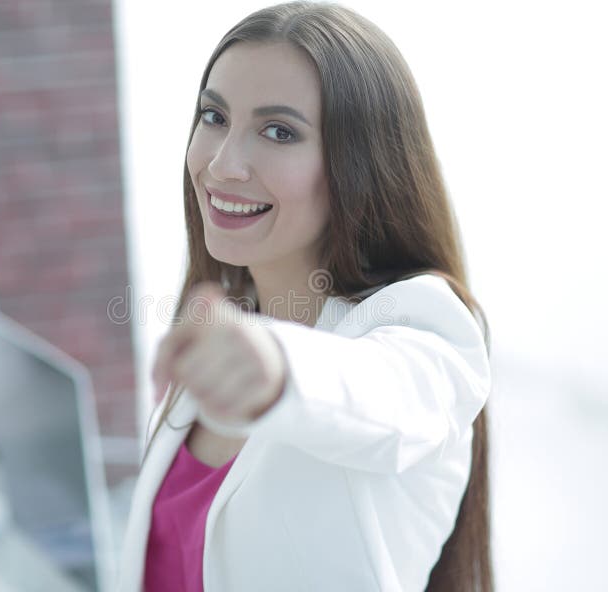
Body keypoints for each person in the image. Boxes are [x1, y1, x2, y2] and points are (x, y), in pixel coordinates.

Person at [119, 2, 494, 591]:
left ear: (360, 166)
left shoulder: (426, 329)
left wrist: (274, 368)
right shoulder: (228, 318)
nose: (222, 164)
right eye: (213, 116)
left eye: (279, 131)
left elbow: (380, 392)